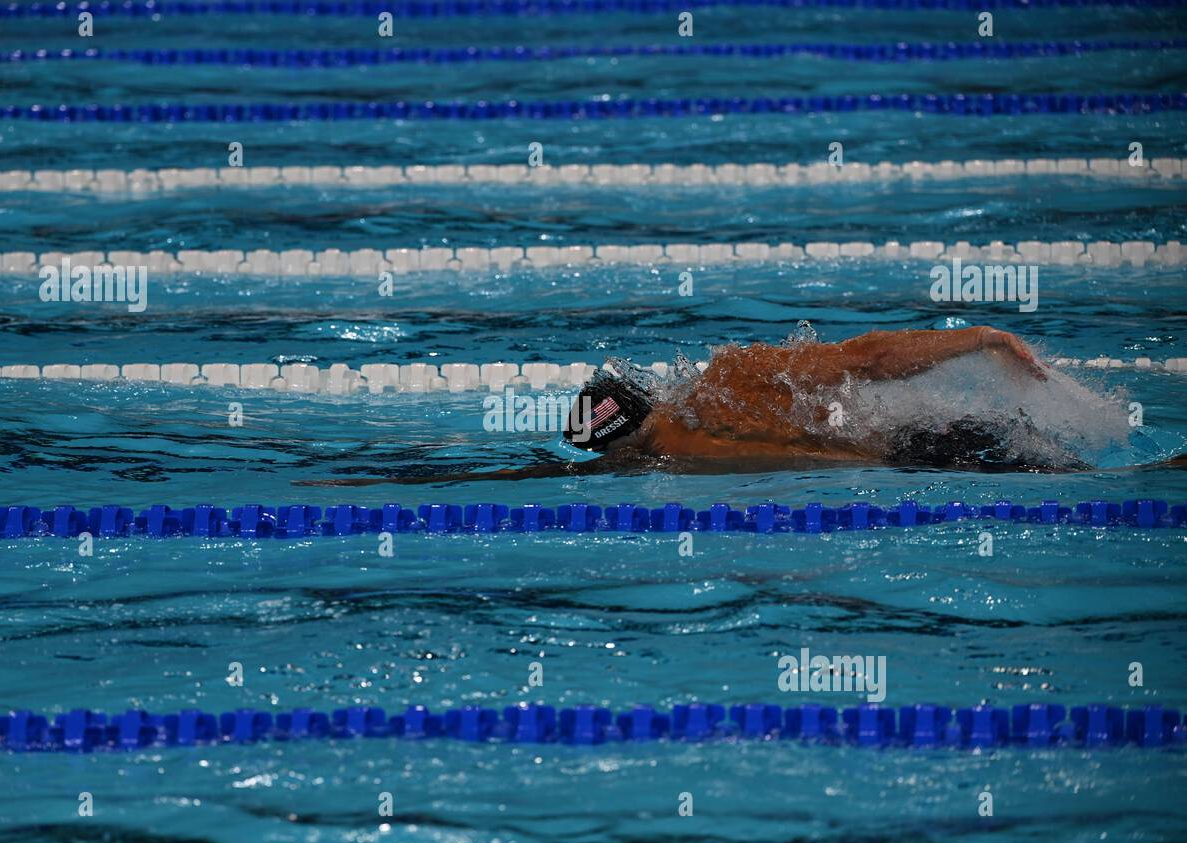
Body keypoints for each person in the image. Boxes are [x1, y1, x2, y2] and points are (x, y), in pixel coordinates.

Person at [295, 326, 1180, 486]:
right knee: (1132, 475)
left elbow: (864, 360)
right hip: (939, 444)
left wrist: (980, 339)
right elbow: (867, 361)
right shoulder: (718, 390)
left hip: (936, 453)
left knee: (1136, 479)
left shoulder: (703, 412)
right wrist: (978, 338)